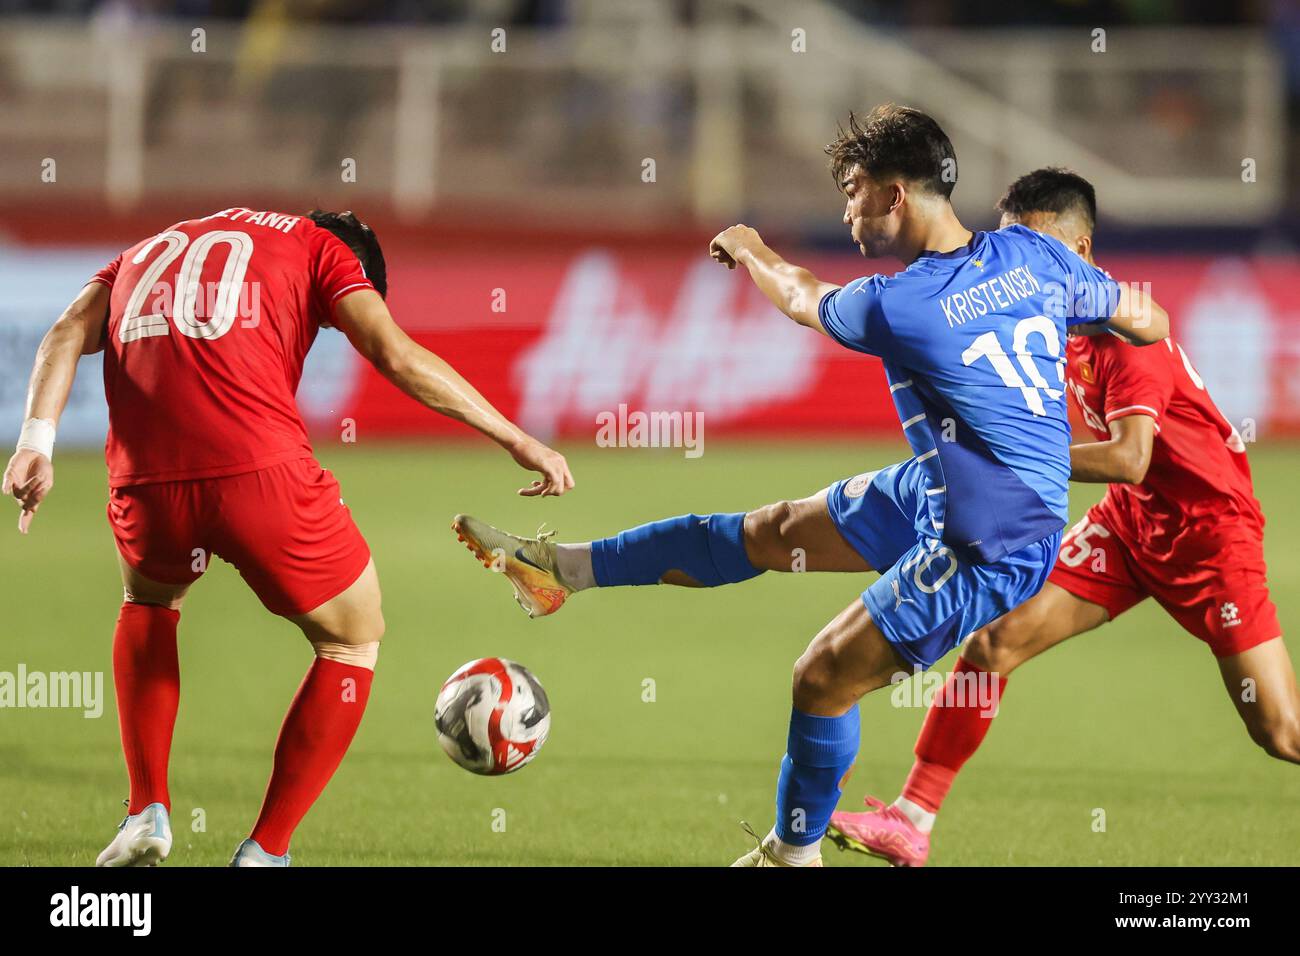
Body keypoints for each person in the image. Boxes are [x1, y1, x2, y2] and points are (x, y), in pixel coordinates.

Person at [449, 107, 1168, 866]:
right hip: (938, 490)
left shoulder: (899, 305)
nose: (846, 209)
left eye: (853, 191)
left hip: (987, 540)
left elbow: (797, 295)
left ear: (897, 196)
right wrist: (1047, 349)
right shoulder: (1033, 255)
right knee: (775, 531)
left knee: (821, 678)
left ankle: (791, 856)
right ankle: (559, 572)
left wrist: (748, 243)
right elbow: (1145, 318)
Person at [3, 207, 573, 867]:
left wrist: (35, 442)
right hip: (259, 475)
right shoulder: (320, 249)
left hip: (146, 481)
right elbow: (394, 352)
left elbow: (67, 327)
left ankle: (145, 813)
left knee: (150, 604)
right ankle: (265, 851)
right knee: (352, 639)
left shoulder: (146, 248)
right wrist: (518, 438)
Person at [825, 168, 1298, 867]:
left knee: (1280, 730)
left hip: (1208, 535)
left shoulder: (1124, 335)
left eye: (1038, 247)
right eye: (1011, 245)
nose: (1021, 264)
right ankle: (911, 819)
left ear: (1081, 248)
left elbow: (1133, 457)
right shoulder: (1052, 323)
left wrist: (1009, 451)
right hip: (1131, 525)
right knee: (993, 643)